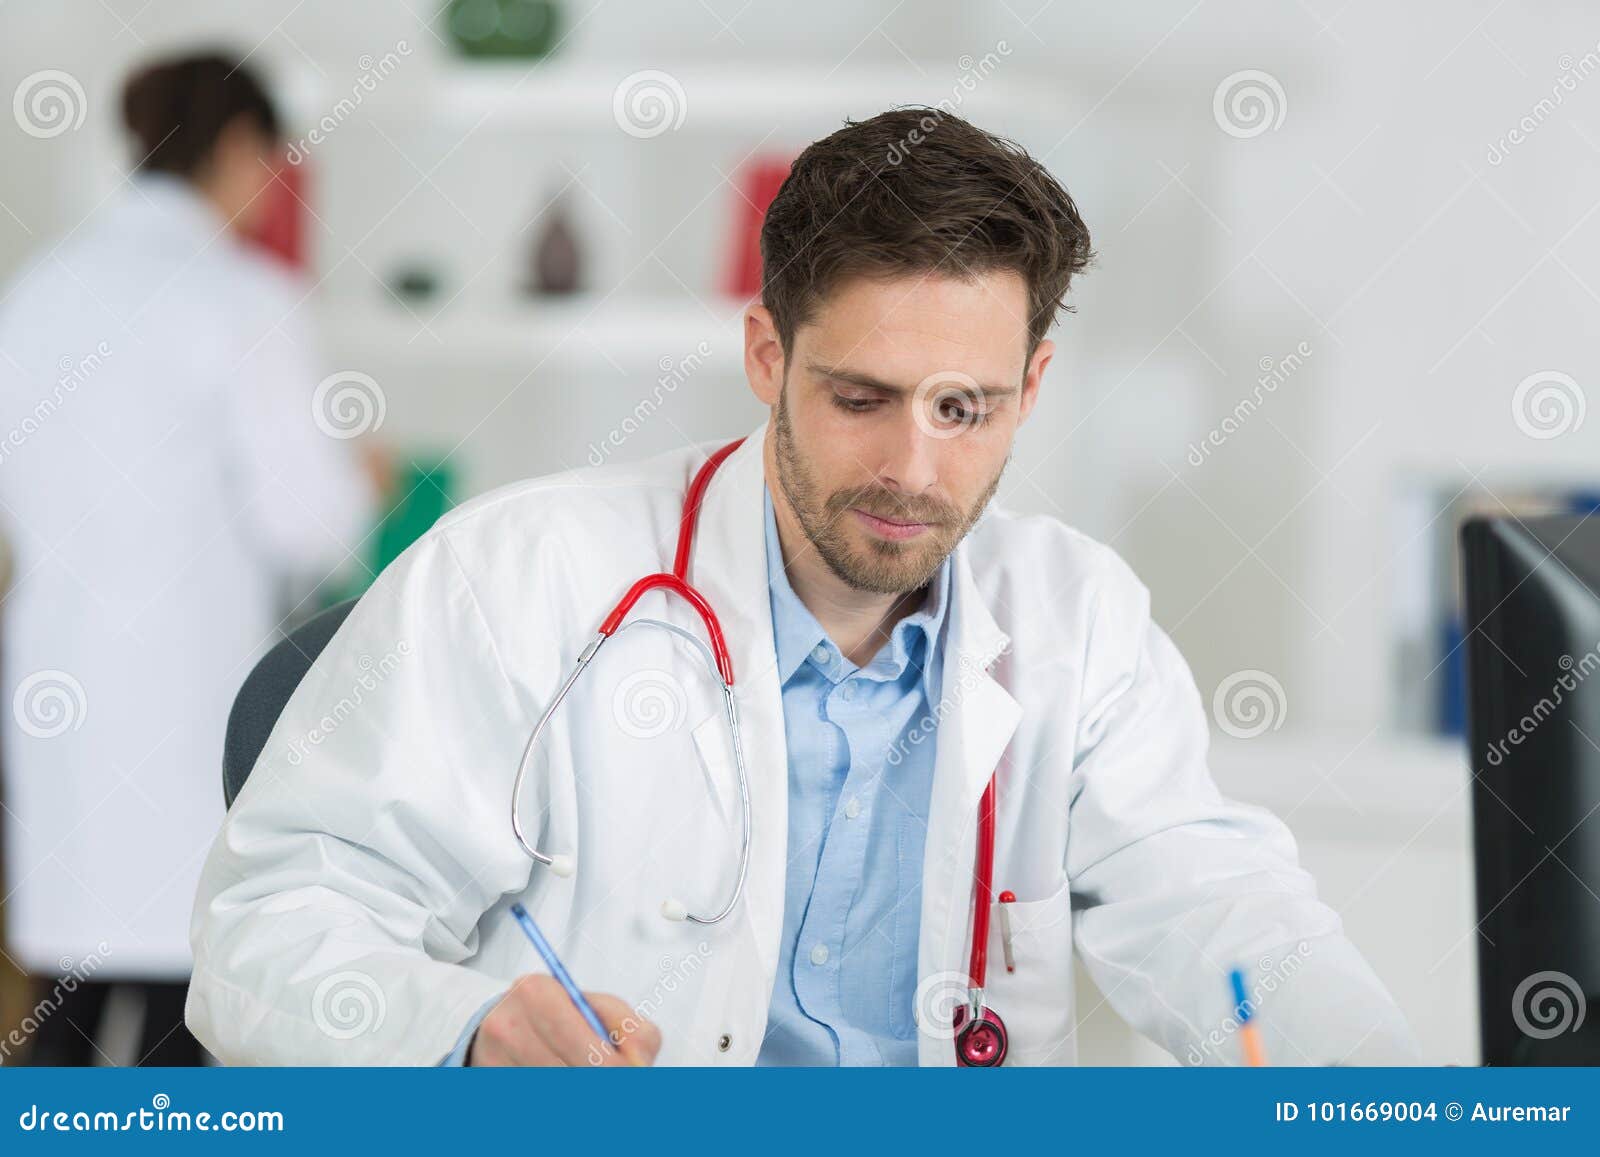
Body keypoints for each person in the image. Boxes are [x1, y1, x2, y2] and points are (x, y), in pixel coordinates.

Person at [186, 107, 1419, 1067]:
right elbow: (271, 929)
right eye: (861, 398)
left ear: (1031, 388)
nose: (912, 467)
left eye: (966, 409)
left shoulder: (1077, 619)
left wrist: (1379, 1090)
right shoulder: (517, 575)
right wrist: (462, 1029)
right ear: (768, 354)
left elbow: (1225, 918)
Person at [0, 51, 374, 1065]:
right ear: (240, 148)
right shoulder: (243, 296)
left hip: (56, 687)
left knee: (62, 1011)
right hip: (181, 688)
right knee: (189, 1005)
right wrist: (364, 481)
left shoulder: (38, 292)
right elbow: (313, 521)